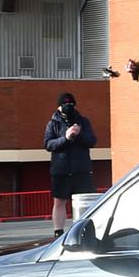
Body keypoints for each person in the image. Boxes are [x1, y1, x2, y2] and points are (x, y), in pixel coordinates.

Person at [44, 92, 99, 232]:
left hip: (81, 169)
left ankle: (84, 230)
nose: (68, 107)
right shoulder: (53, 123)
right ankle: (58, 231)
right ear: (58, 108)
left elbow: (92, 141)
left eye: (71, 105)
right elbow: (49, 145)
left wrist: (78, 134)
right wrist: (66, 138)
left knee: (84, 202)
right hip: (61, 170)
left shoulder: (83, 121)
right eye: (64, 105)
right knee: (59, 202)